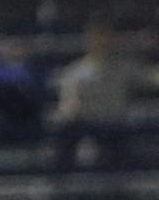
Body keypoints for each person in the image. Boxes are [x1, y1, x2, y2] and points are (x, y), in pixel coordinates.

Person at [51, 23, 135, 171]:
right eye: (97, 37)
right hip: (87, 125)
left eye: (105, 36)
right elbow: (68, 103)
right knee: (66, 132)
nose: (101, 41)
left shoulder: (123, 67)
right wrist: (69, 111)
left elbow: (154, 76)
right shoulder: (75, 71)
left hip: (114, 125)